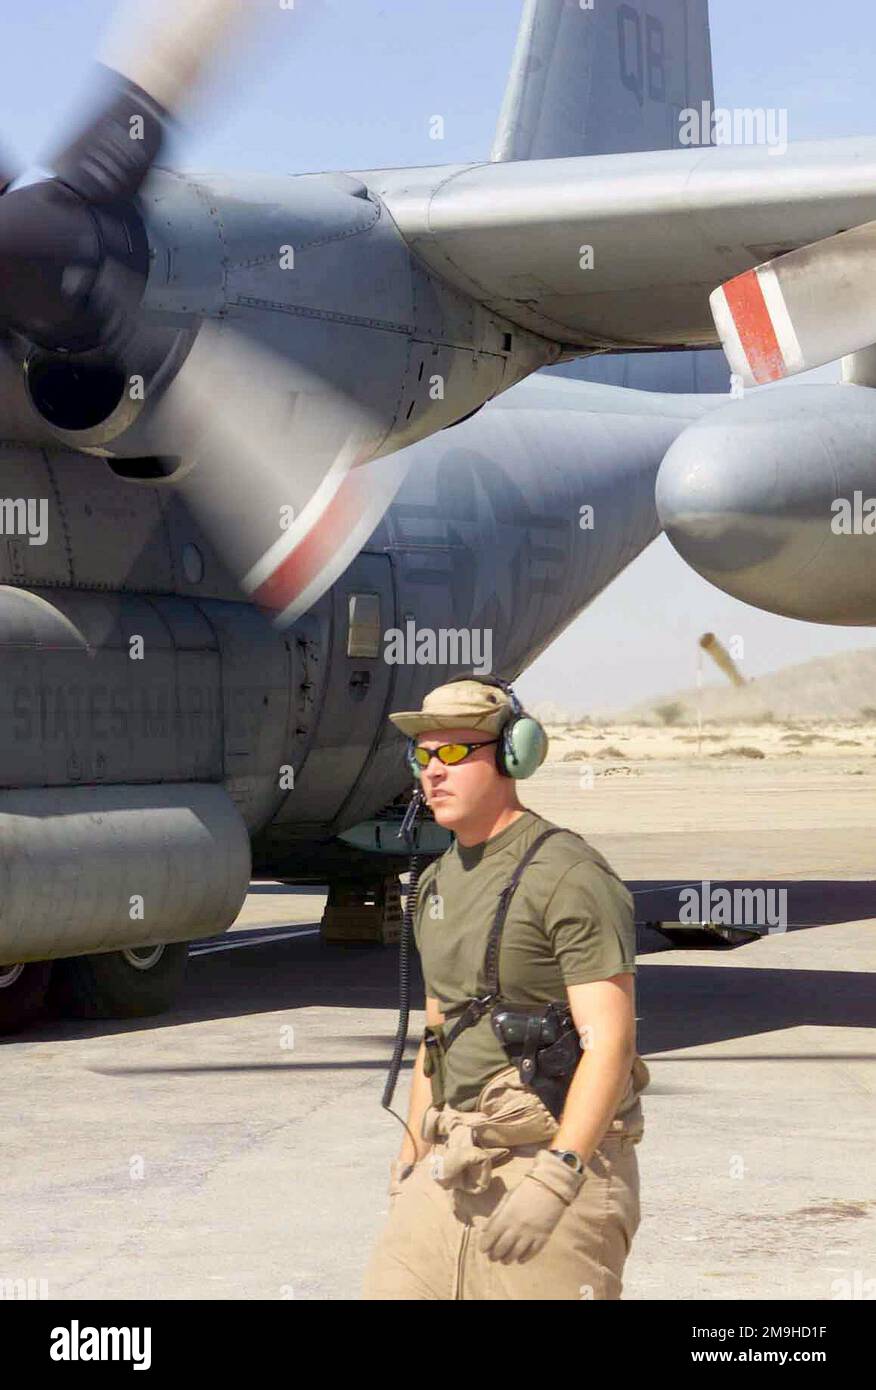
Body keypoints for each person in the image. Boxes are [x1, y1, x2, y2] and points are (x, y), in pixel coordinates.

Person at [362, 673, 650, 1300]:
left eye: (456, 752)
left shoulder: (568, 874)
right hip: (452, 1159)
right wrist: (409, 1161)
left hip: (552, 1158)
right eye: (424, 755)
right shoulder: (436, 881)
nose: (433, 771)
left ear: (515, 754)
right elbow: (436, 1037)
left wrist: (559, 1176)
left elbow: (610, 1043)